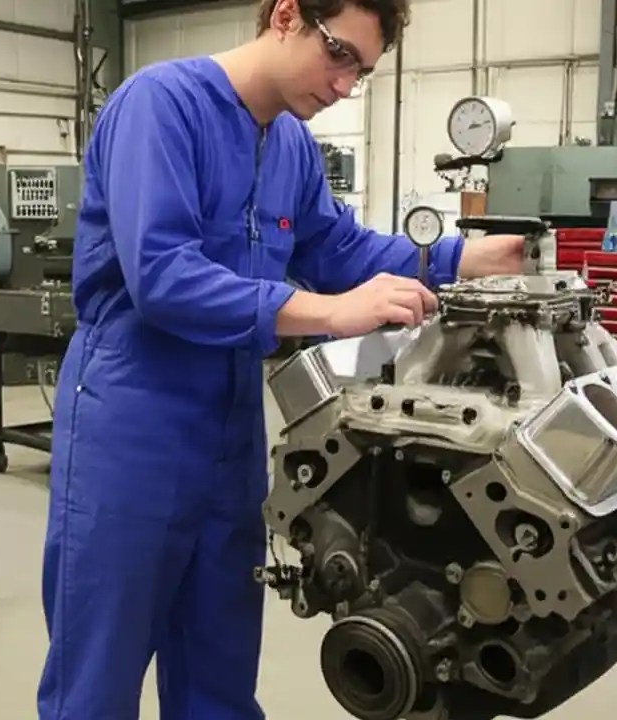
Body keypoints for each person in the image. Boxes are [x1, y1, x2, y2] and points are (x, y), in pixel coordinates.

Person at [37, 0, 526, 718]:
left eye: (361, 71)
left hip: (230, 429)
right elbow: (162, 276)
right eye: (340, 56)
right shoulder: (160, 106)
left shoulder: (289, 145)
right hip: (131, 422)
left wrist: (461, 258)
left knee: (220, 664)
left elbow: (337, 250)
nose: (343, 86)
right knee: (98, 673)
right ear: (288, 14)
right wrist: (329, 313)